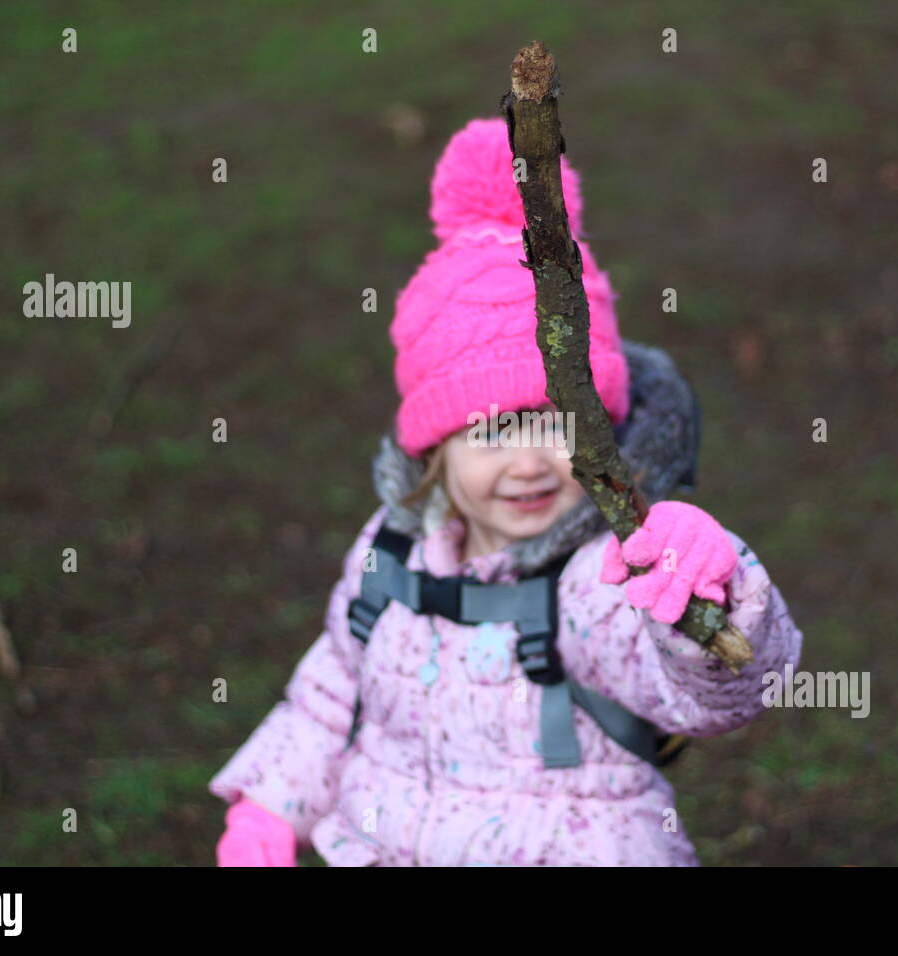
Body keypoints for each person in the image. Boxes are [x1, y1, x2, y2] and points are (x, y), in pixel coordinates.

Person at [209, 117, 803, 866]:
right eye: (490, 431)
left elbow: (720, 694)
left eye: (557, 425)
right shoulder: (391, 550)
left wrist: (709, 599)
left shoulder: (604, 574)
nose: (528, 464)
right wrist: (269, 805)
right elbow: (330, 694)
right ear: (434, 445)